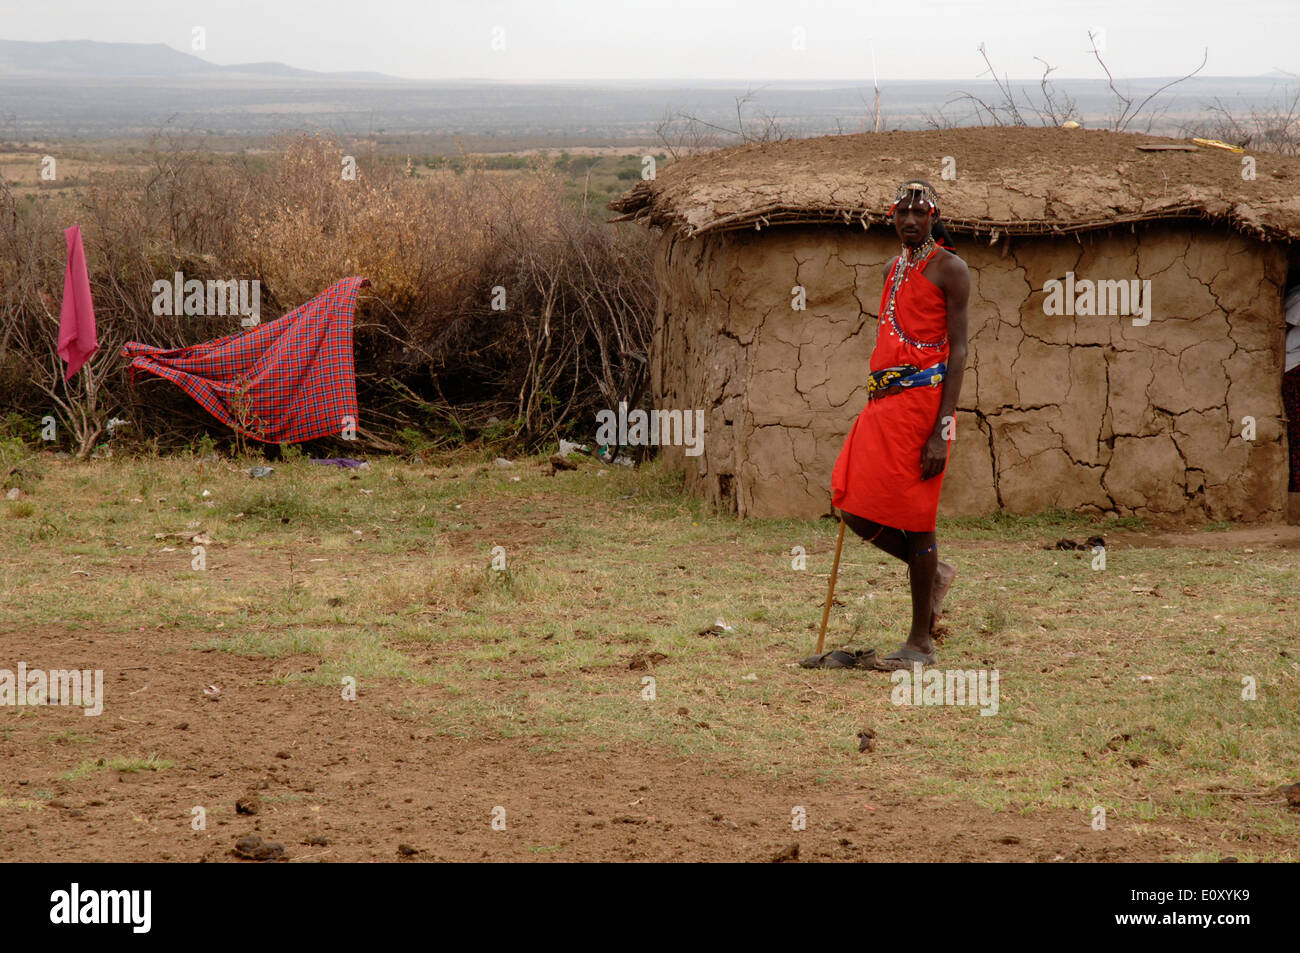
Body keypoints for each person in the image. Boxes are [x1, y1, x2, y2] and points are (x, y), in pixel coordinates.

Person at [807, 180, 969, 670]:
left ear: (934, 216)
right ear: (892, 217)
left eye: (920, 212)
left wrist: (942, 428)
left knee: (917, 519)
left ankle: (920, 642)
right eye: (902, 212)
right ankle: (935, 573)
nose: (911, 221)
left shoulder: (951, 269)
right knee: (850, 500)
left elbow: (959, 351)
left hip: (924, 405)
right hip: (883, 401)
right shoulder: (892, 269)